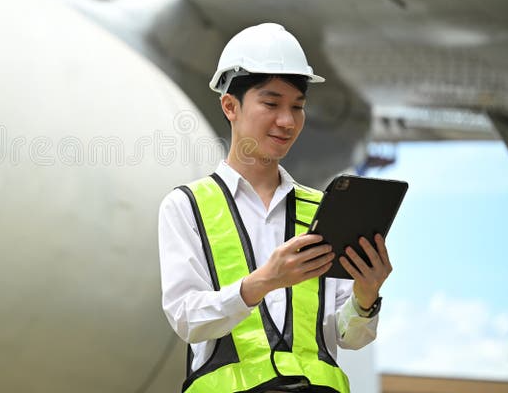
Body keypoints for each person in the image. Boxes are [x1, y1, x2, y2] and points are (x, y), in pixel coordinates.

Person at [158, 23, 391, 393]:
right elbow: (188, 319)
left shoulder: (322, 209)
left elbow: (349, 336)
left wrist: (366, 296)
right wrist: (264, 281)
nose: (287, 121)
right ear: (230, 106)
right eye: (271, 104)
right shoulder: (187, 206)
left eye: (297, 107)